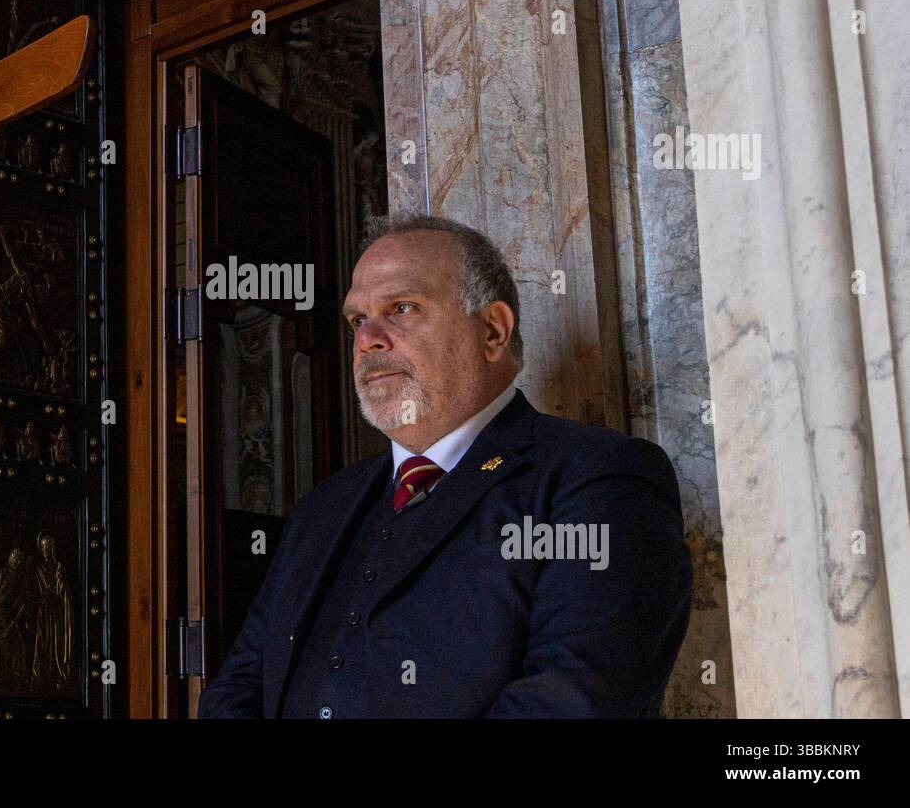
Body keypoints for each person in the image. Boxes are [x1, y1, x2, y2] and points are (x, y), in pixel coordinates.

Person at [198, 213, 693, 718]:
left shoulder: (601, 478)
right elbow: (239, 685)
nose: (368, 338)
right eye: (356, 320)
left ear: (493, 331)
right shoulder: (321, 509)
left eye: (402, 308)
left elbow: (574, 700)